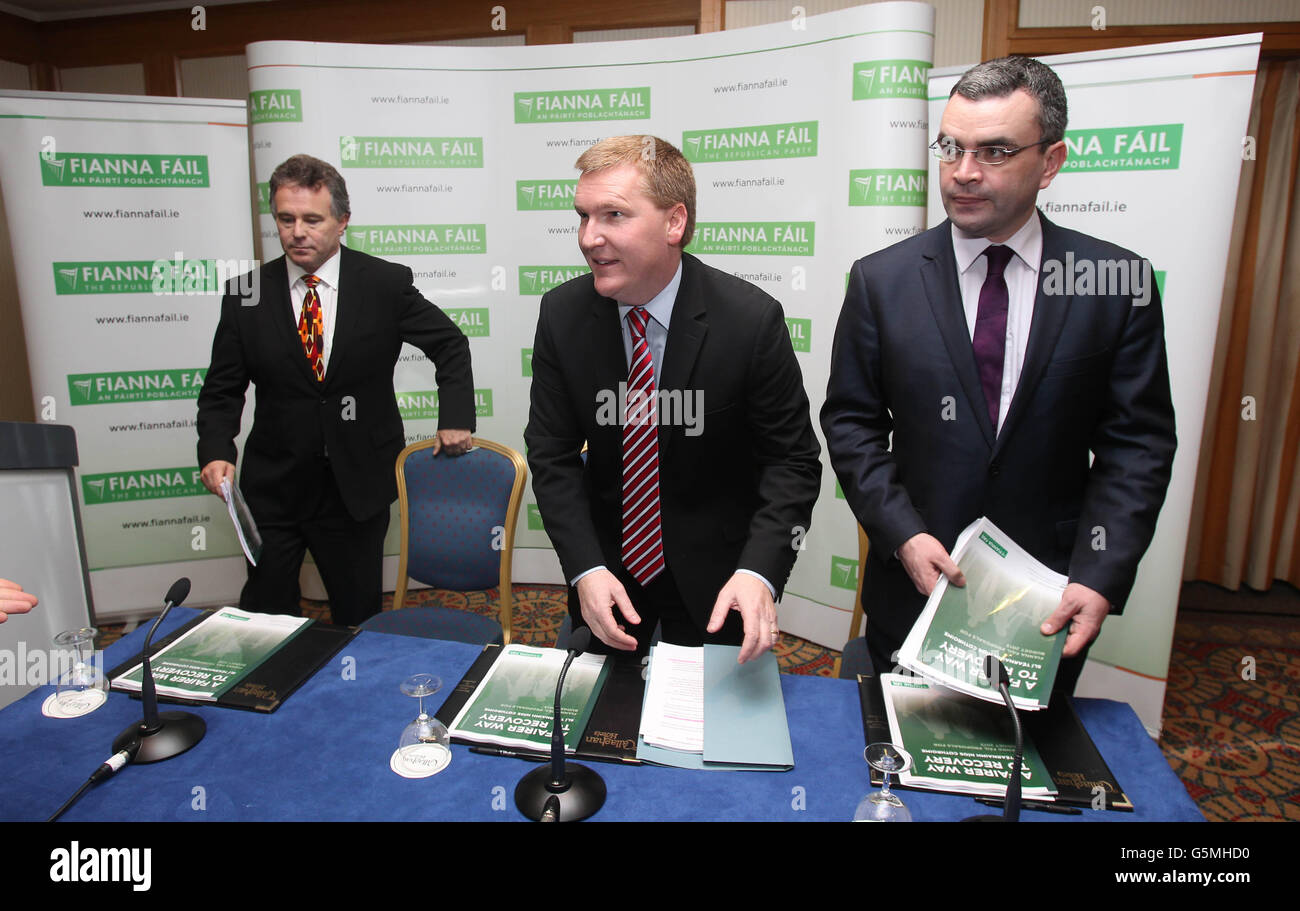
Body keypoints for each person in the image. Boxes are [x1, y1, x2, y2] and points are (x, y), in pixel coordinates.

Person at [821, 56, 1177, 690]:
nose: (962, 173)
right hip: (913, 590)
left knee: (1020, 772)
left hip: (1048, 601)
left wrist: (1098, 573)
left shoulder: (1116, 285)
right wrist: (902, 534)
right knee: (892, 769)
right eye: (951, 147)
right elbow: (851, 425)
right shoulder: (882, 281)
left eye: (994, 152)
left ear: (1051, 162)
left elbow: (1138, 446)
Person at [526, 135, 822, 663]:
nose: (589, 238)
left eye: (614, 215)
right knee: (602, 733)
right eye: (583, 216)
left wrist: (759, 572)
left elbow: (792, 461)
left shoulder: (749, 321)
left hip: (720, 581)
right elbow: (552, 454)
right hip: (608, 576)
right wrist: (585, 568)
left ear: (674, 223)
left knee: (710, 738)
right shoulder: (562, 315)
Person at [197, 154, 475, 626]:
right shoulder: (247, 294)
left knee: (356, 614)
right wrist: (216, 448)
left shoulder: (383, 283)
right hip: (275, 486)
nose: (297, 232)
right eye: (286, 219)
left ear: (342, 221)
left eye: (312, 219)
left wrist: (455, 416)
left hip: (356, 484)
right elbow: (223, 387)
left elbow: (450, 343)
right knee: (266, 610)